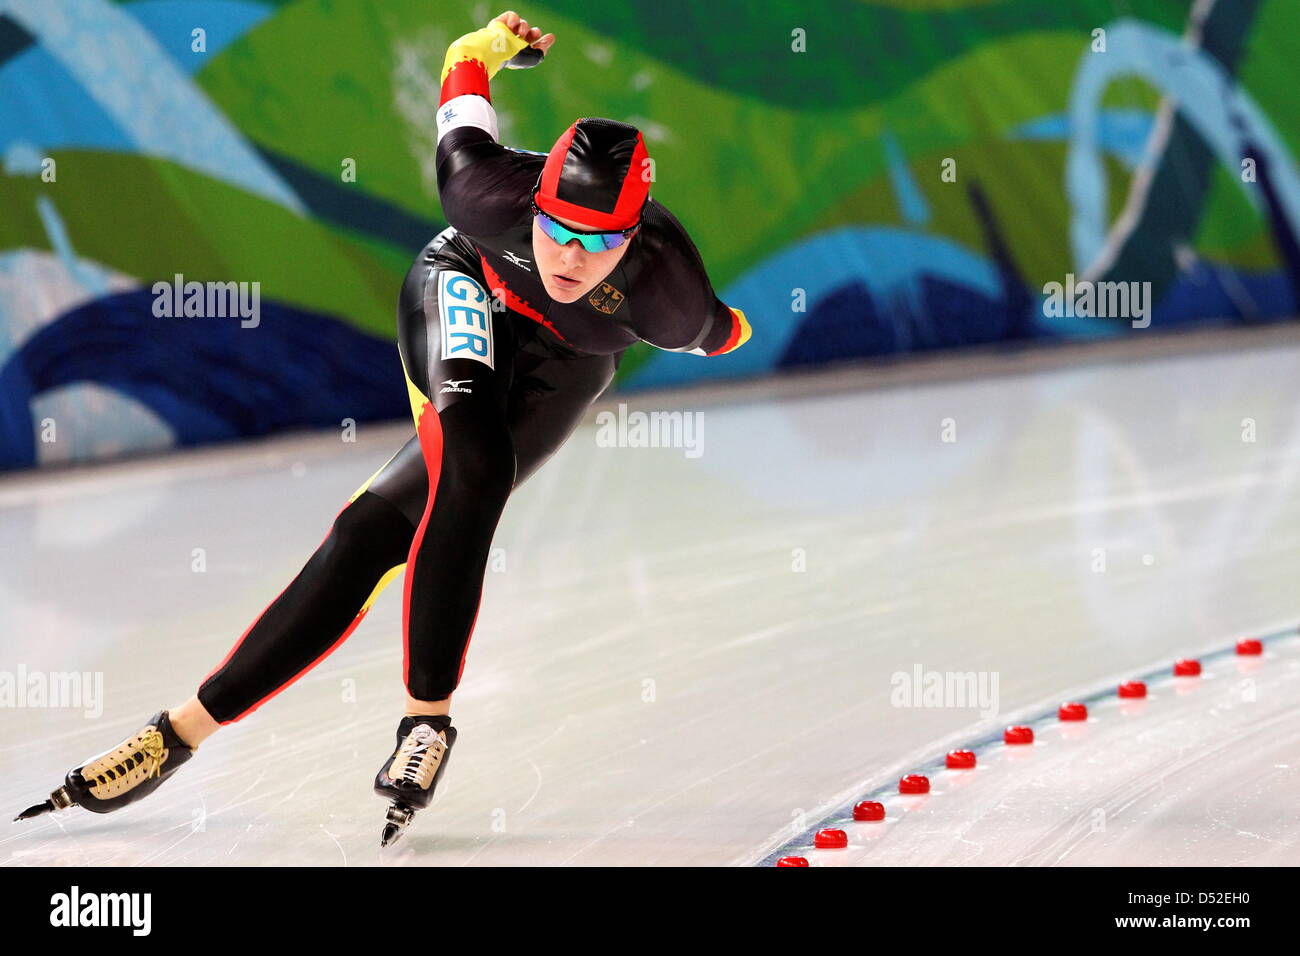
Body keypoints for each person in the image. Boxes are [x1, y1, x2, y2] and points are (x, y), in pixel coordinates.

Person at [16, 10, 751, 846]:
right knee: (473, 463)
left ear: (635, 238)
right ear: (534, 200)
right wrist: (495, 43)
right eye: (556, 226)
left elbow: (721, 330)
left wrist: (727, 330)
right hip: (461, 291)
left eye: (598, 241)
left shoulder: (671, 294)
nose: (568, 256)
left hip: (567, 368)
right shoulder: (484, 188)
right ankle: (426, 725)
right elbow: (463, 71)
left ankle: (173, 738)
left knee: (372, 534)